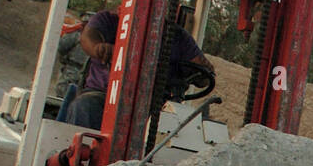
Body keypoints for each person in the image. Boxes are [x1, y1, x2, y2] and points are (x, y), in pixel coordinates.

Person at [68, 8, 212, 129]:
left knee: (181, 128)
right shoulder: (109, 20)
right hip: (104, 96)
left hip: (155, 106)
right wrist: (98, 47)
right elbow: (88, 38)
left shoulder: (178, 37)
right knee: (85, 106)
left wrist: (202, 70)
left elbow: (201, 71)